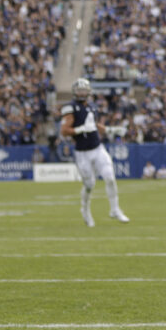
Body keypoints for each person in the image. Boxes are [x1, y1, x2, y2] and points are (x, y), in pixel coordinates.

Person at [60, 77, 129, 227]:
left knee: (110, 177)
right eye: (79, 90)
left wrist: (110, 130)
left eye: (84, 89)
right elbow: (64, 131)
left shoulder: (92, 107)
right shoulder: (70, 108)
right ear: (74, 92)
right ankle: (85, 210)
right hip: (82, 152)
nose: (82, 92)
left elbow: (94, 125)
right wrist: (79, 130)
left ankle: (115, 209)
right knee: (89, 185)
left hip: (98, 148)